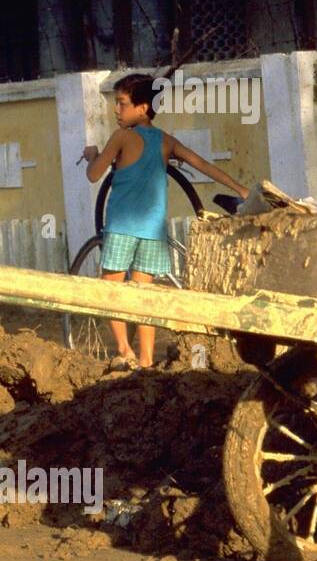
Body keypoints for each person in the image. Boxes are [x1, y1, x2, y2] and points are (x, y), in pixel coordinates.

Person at [83, 73, 251, 370]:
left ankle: (124, 351)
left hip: (122, 227)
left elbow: (95, 174)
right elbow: (203, 165)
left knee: (111, 291)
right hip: (152, 232)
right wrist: (241, 190)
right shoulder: (165, 141)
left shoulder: (121, 137)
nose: (115, 110)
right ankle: (147, 360)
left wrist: (93, 155)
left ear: (142, 108)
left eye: (121, 104)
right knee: (144, 295)